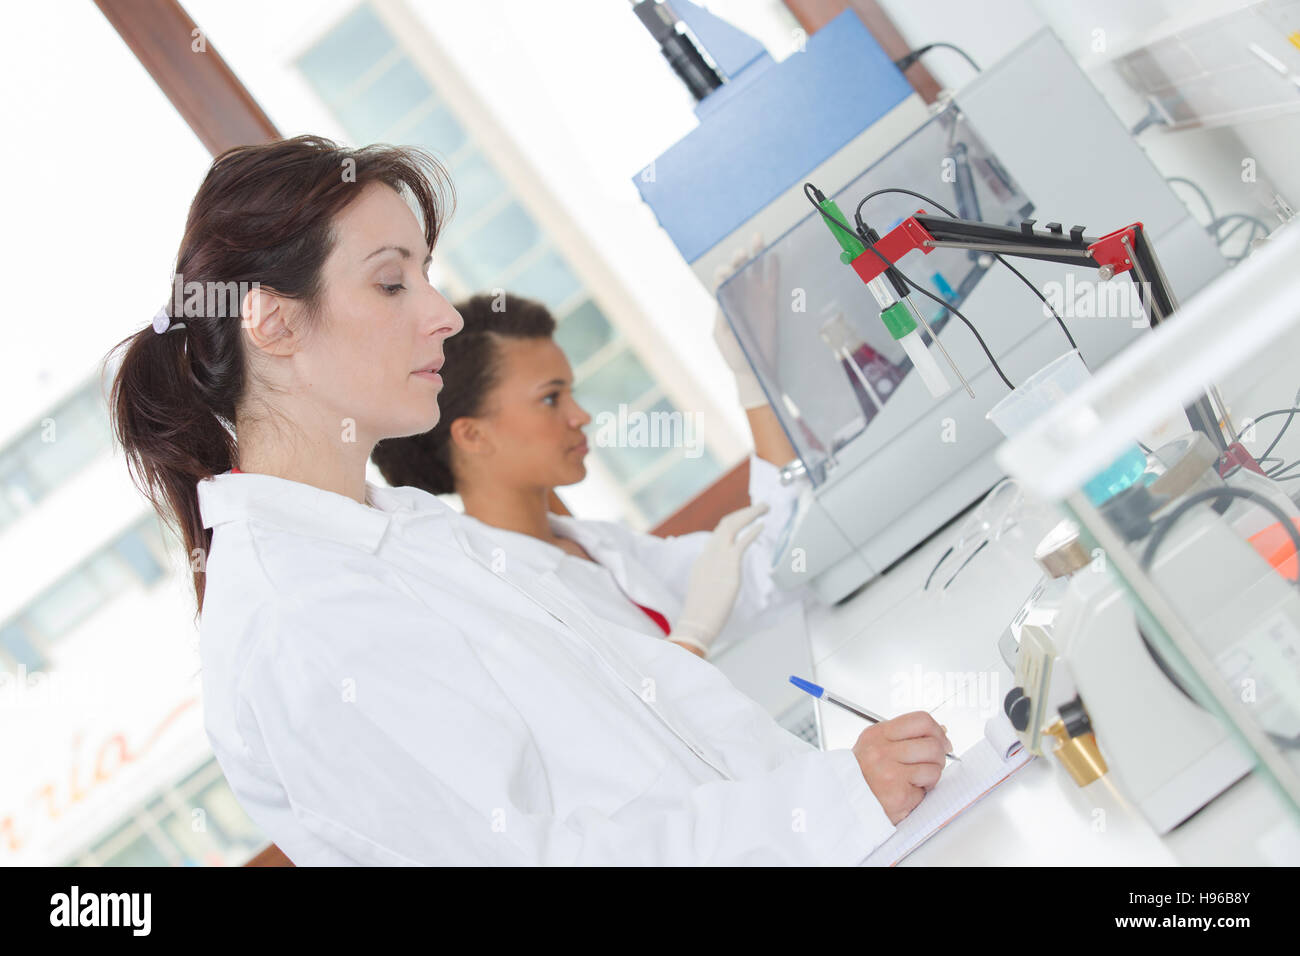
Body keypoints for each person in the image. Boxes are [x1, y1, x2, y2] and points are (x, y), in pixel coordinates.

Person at [108, 134, 952, 866]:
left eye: (427, 277)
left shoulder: (405, 532)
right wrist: (828, 807)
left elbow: (647, 752)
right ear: (275, 324)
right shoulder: (302, 622)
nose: (440, 314)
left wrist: (828, 798)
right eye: (392, 283)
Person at [369, 291, 798, 661]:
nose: (581, 416)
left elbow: (768, 572)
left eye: (572, 392)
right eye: (551, 398)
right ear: (474, 435)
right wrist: (693, 636)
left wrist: (752, 379)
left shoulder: (597, 545)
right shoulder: (501, 597)